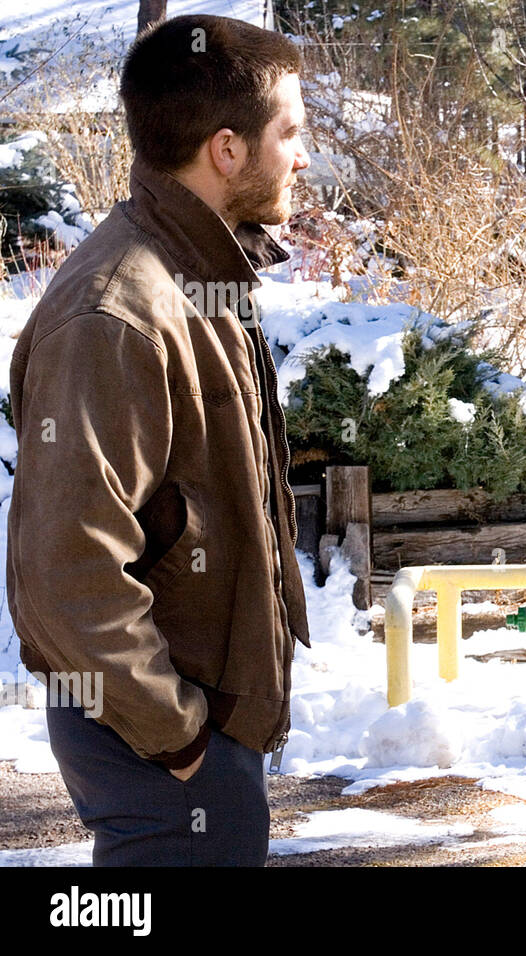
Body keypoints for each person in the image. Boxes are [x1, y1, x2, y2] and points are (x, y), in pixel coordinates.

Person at [6, 15, 312, 866]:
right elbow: (67, 571)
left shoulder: (195, 272)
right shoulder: (118, 312)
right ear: (225, 149)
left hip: (193, 726)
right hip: (155, 741)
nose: (303, 152)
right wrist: (178, 738)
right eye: (290, 131)